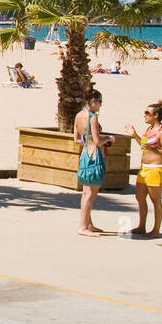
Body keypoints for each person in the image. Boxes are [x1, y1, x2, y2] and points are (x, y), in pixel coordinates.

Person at [123, 99, 162, 238]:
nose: (144, 115)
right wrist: (135, 134)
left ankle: (156, 230)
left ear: (155, 115)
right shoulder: (149, 129)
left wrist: (154, 150)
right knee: (139, 197)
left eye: (147, 113)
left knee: (155, 200)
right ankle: (141, 226)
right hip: (144, 168)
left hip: (156, 169)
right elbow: (144, 145)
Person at [74, 89, 114, 237]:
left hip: (85, 154)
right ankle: (83, 226)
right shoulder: (92, 117)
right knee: (91, 193)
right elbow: (97, 141)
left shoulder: (78, 116)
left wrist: (90, 139)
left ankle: (88, 224)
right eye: (99, 102)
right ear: (93, 101)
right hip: (94, 155)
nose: (100, 105)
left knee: (86, 192)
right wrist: (109, 138)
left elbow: (77, 138)